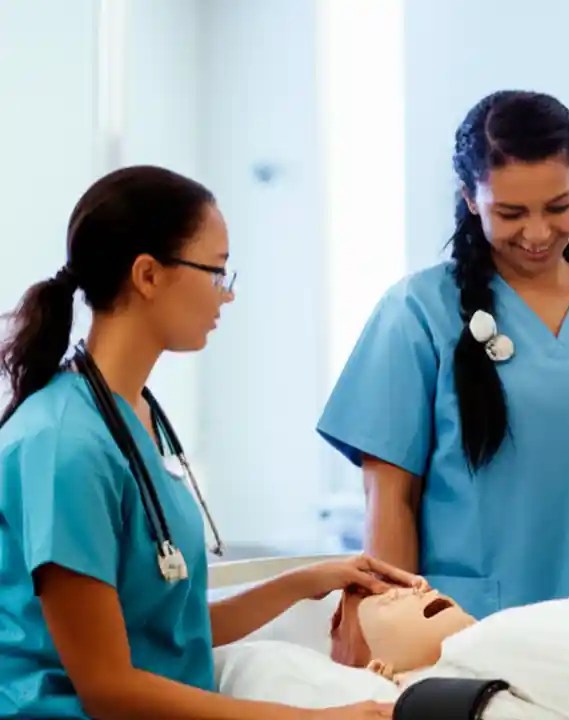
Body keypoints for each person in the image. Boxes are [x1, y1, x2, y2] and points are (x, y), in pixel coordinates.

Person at [0, 165, 422, 719]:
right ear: (148, 275)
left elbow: (172, 631)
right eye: (217, 272)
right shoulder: (64, 445)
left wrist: (306, 581)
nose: (227, 296)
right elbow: (108, 687)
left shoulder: (139, 415)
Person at [317, 90, 569, 620]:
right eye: (511, 212)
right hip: (464, 629)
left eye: (560, 206)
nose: (539, 232)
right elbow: (391, 501)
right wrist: (392, 635)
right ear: (471, 198)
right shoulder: (416, 313)